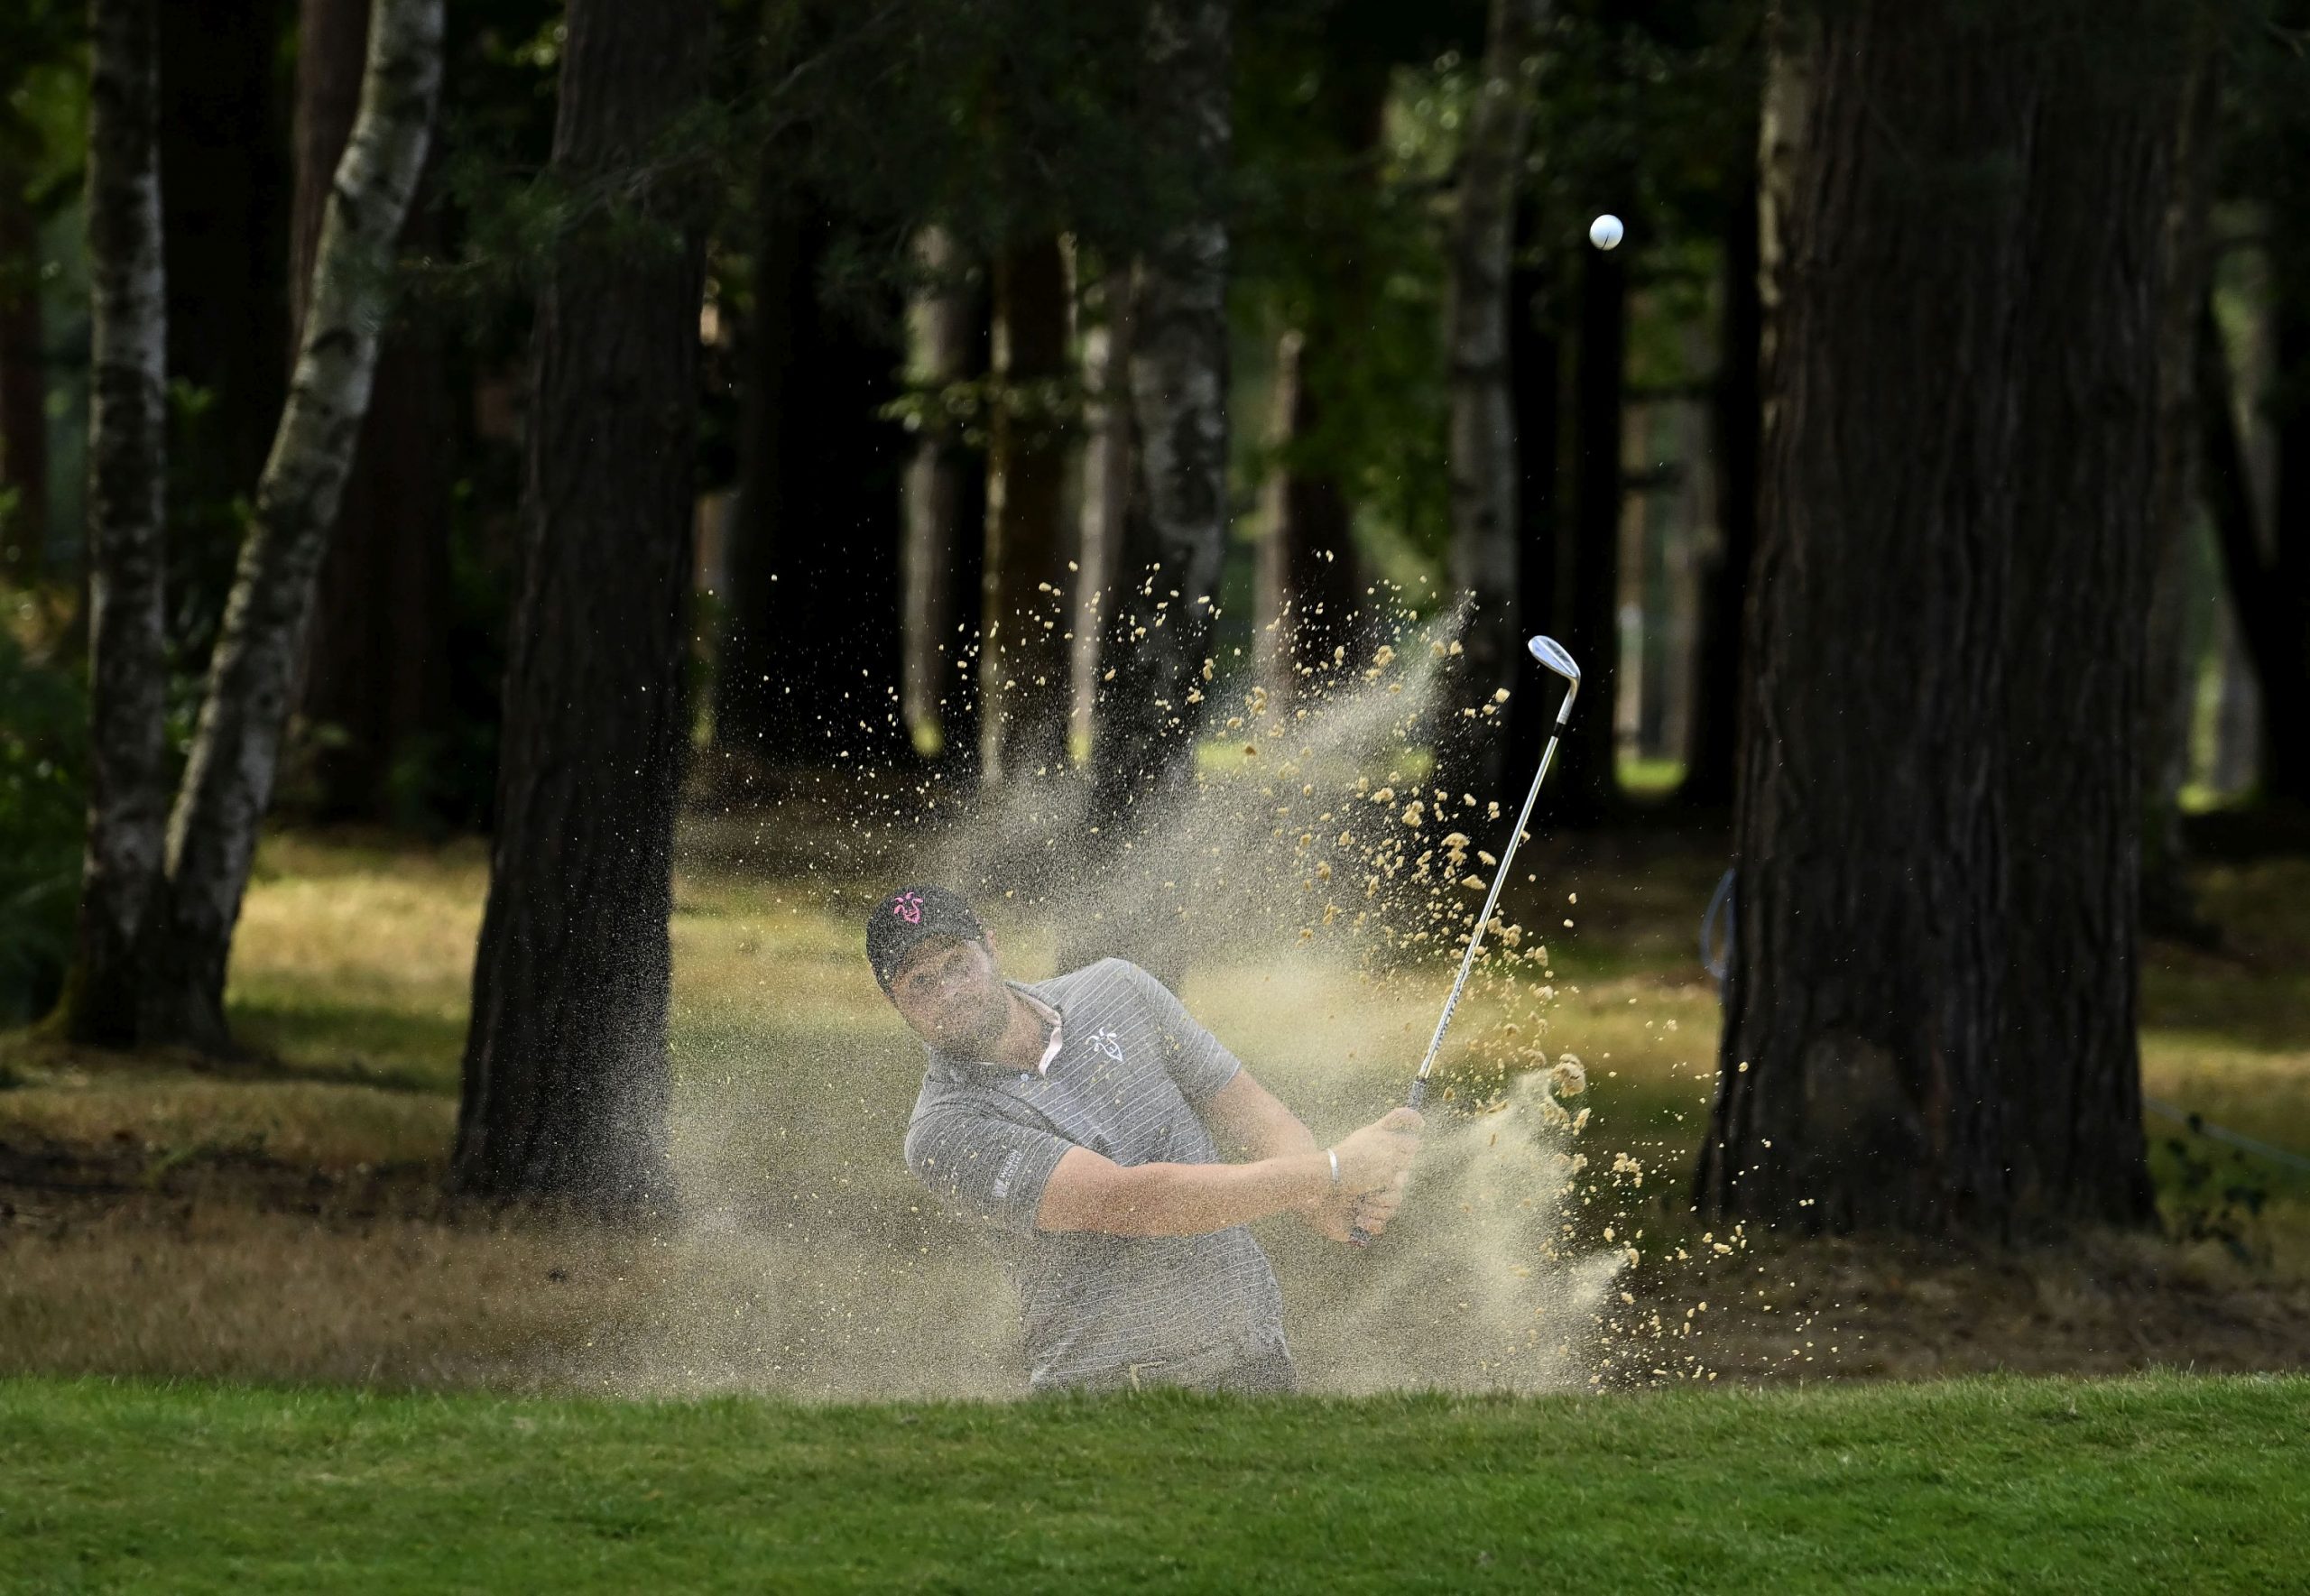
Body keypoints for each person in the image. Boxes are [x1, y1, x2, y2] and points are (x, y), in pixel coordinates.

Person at [867, 883, 1424, 1395]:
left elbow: (1252, 1113)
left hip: (1252, 1355)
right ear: (897, 1006)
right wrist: (1330, 1171)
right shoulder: (944, 1131)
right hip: (1113, 1391)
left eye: (957, 962)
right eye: (920, 984)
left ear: (992, 947)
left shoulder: (1116, 988)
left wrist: (1320, 1200)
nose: (949, 991)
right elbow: (1134, 1202)